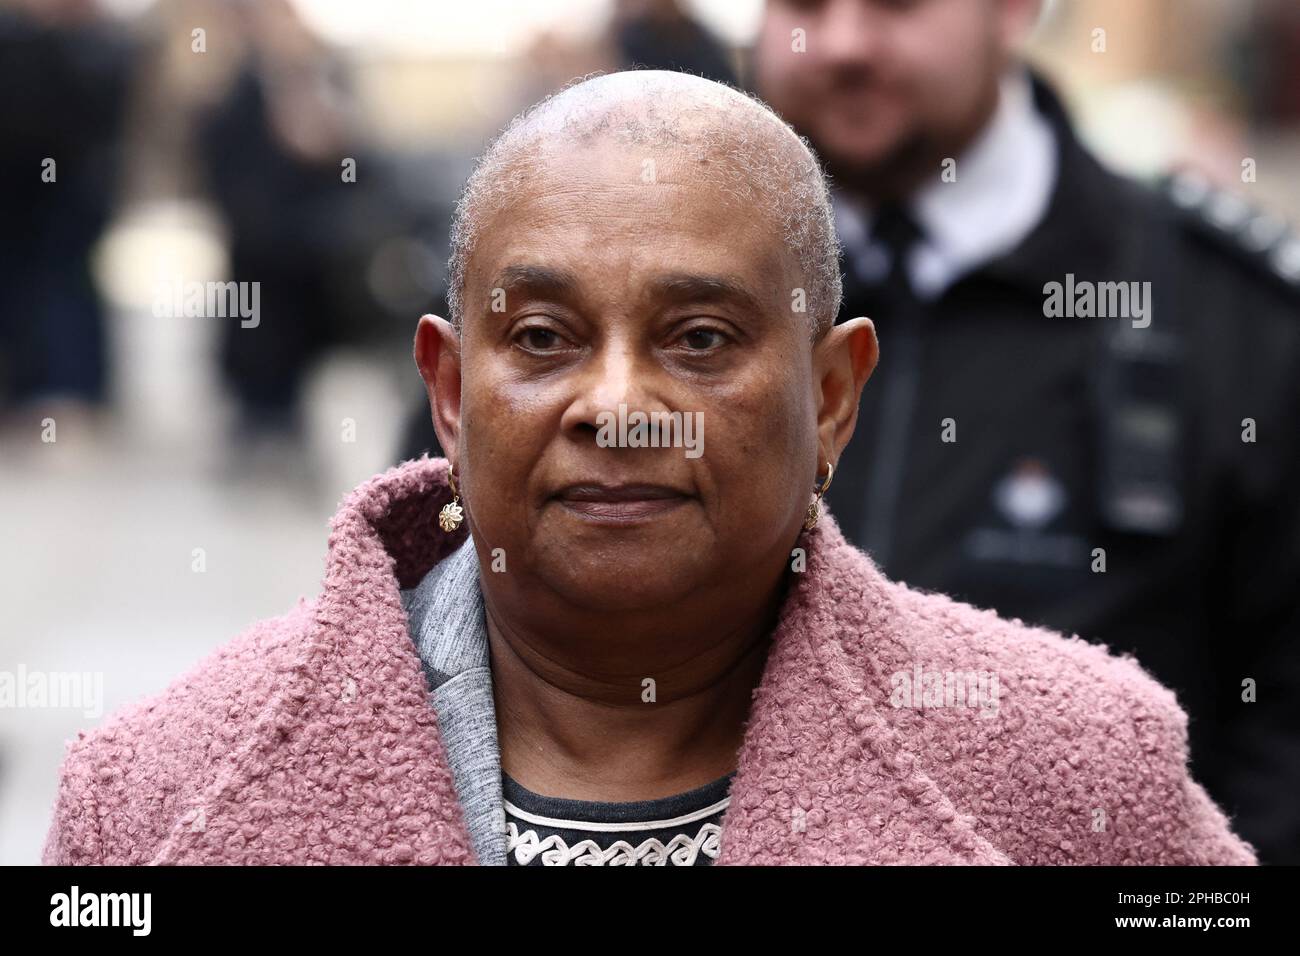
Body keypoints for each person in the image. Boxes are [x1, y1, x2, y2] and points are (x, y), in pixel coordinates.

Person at [42, 71, 1255, 866]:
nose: (619, 407)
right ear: (451, 395)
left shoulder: (1084, 782)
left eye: (700, 340)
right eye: (542, 338)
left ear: (831, 396)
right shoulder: (157, 802)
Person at [751, 0, 1300, 863]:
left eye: (895, 3)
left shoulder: (1231, 318)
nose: (844, 43)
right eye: (804, 5)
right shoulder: (670, 306)